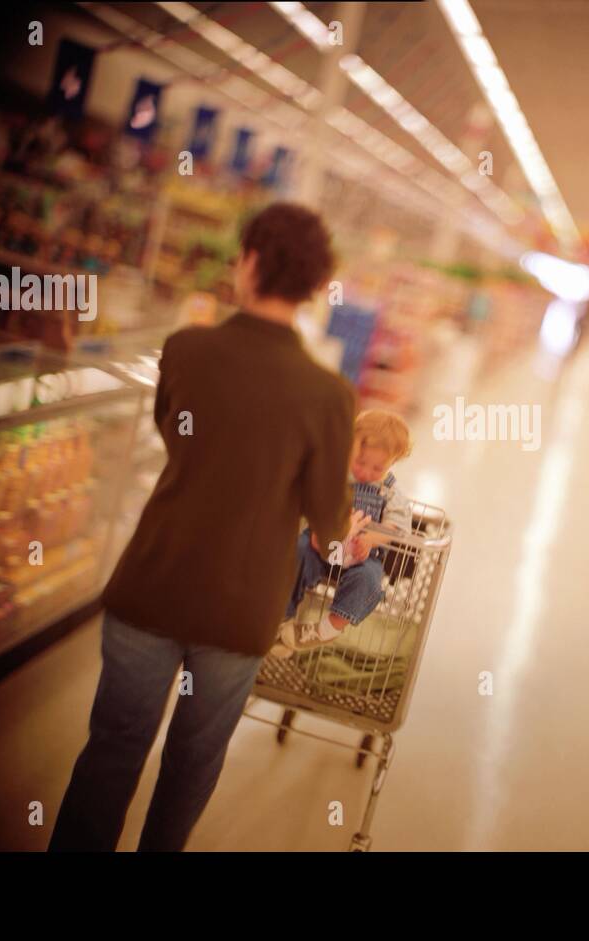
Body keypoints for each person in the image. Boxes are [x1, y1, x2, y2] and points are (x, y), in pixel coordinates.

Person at [48, 203, 367, 852]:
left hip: (154, 584)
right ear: (313, 285)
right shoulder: (329, 395)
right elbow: (327, 522)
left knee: (113, 749)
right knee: (192, 765)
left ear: (249, 262)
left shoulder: (186, 348)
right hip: (240, 610)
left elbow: (174, 435)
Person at [273, 409, 414, 656]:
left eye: (377, 468)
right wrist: (323, 525)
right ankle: (280, 619)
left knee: (370, 579)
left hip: (361, 555)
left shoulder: (389, 493)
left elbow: (398, 528)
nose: (365, 473)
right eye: (360, 462)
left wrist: (371, 539)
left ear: (393, 463)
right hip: (322, 543)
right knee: (297, 552)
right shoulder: (336, 476)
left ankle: (325, 630)